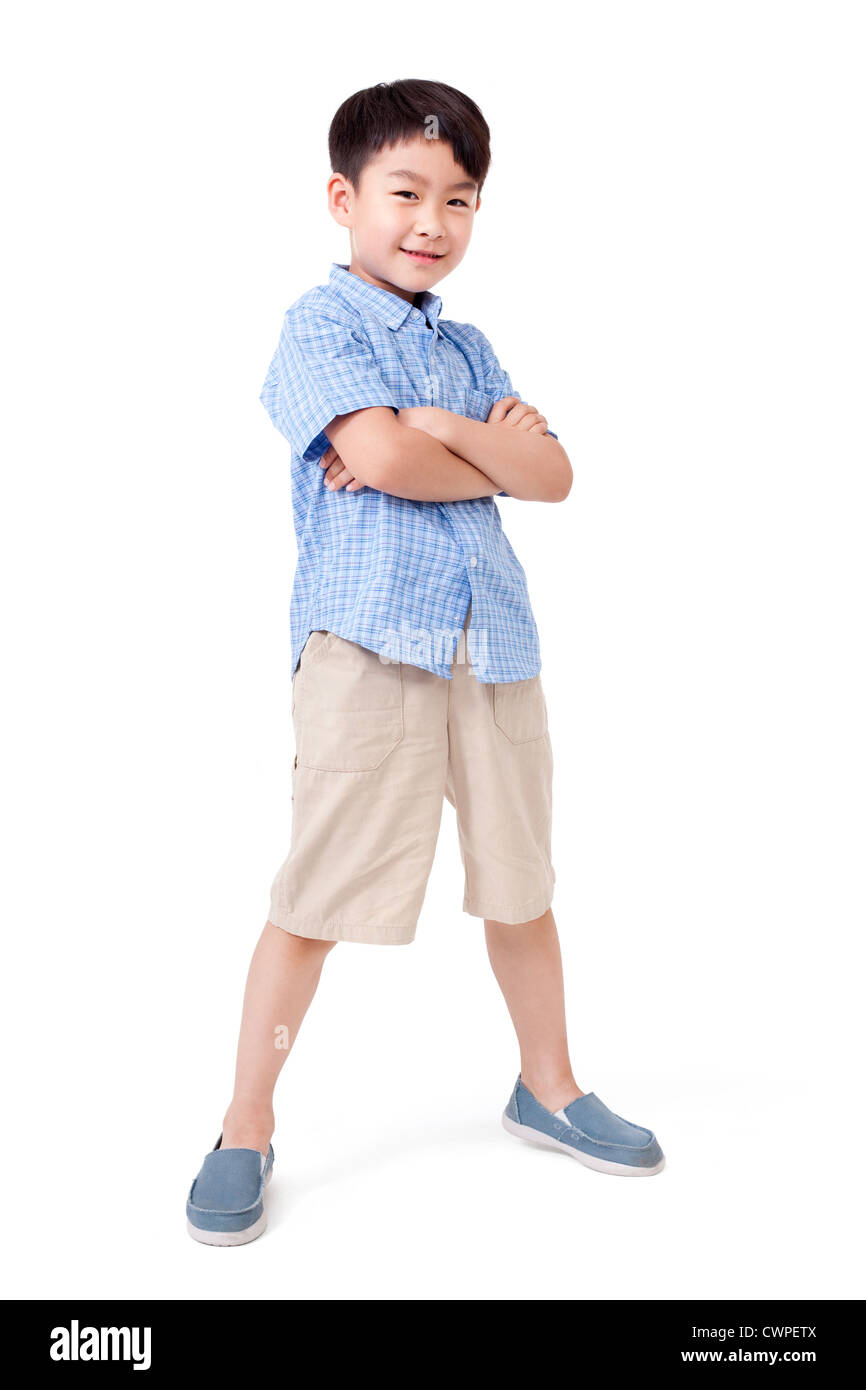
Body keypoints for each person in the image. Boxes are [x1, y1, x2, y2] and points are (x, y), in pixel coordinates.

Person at [186, 78, 665, 1246]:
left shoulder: (471, 343)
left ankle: (546, 1086)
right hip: (367, 646)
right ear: (345, 197)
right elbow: (381, 462)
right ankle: (244, 1123)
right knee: (314, 894)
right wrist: (470, 446)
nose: (431, 222)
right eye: (406, 192)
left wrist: (442, 431)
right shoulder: (318, 324)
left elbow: (551, 477)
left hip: (491, 643)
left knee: (522, 879)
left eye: (459, 200)